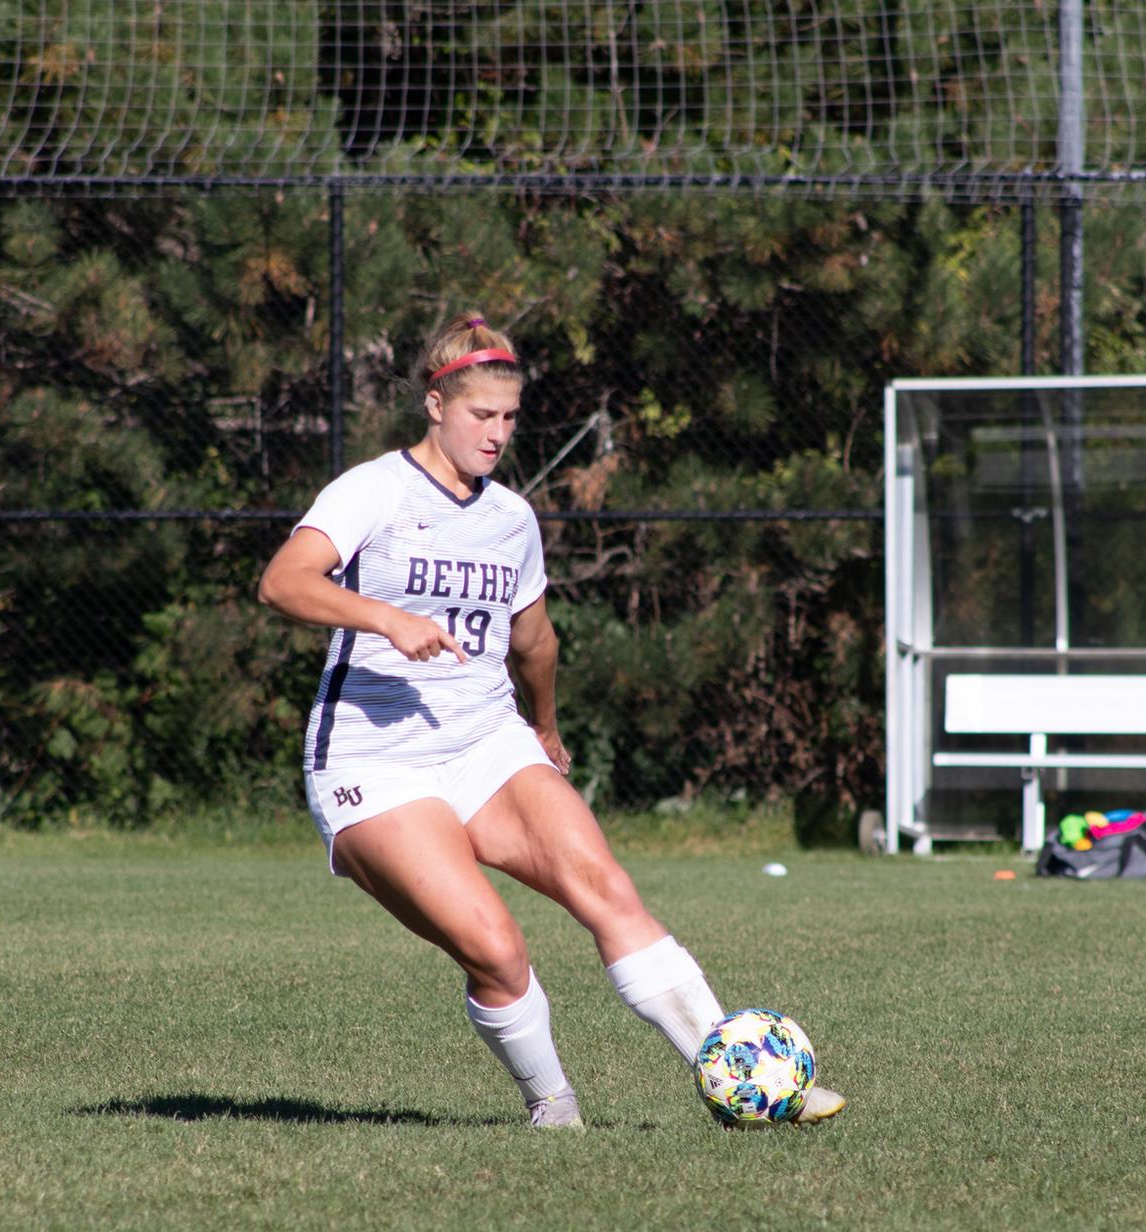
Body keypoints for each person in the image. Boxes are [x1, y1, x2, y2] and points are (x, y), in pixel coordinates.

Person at [257, 312, 845, 1129]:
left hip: (486, 740)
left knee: (608, 889)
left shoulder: (511, 519)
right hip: (375, 760)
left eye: (510, 417)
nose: (497, 434)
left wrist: (544, 724)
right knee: (497, 948)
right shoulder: (374, 490)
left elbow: (533, 637)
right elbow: (284, 582)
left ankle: (744, 1077)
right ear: (435, 404)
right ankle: (553, 1106)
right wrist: (385, 619)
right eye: (480, 415)